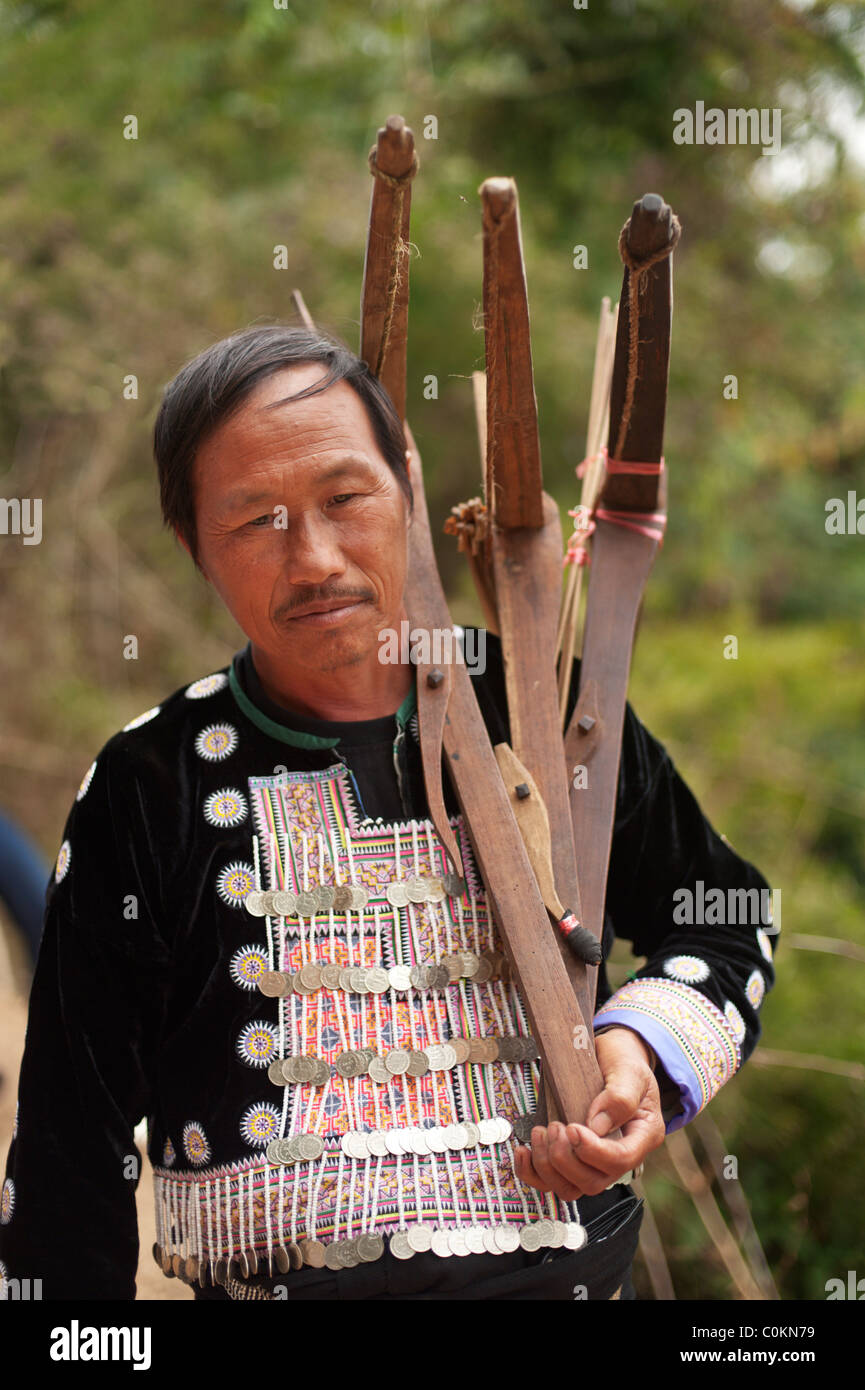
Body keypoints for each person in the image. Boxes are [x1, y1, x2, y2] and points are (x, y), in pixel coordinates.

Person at [0, 325, 775, 1302]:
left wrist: (639, 1055)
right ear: (193, 545)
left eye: (343, 498)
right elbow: (75, 1143)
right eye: (255, 521)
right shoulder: (149, 785)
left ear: (405, 493)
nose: (315, 558)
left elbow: (728, 917)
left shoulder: (544, 711)